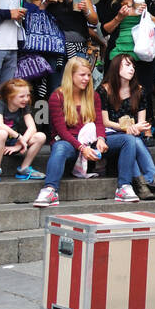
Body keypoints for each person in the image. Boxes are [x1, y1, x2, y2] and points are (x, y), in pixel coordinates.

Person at [34, 57, 139, 207]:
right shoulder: (57, 96)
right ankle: (50, 190)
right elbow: (61, 131)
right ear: (71, 75)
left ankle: (124, 187)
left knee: (128, 140)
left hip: (91, 140)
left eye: (89, 75)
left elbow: (99, 123)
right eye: (82, 75)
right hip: (70, 143)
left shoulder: (93, 95)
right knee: (60, 146)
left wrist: (101, 139)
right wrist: (82, 148)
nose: (86, 79)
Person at [98, 53, 155, 201]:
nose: (132, 69)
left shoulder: (139, 91)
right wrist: (126, 128)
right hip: (109, 135)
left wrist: (136, 128)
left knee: (133, 140)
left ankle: (146, 182)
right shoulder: (103, 90)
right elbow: (105, 122)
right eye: (127, 65)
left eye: (133, 66)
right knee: (131, 140)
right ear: (116, 68)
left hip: (133, 134)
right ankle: (148, 179)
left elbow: (141, 123)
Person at [98, 0, 155, 118]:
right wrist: (119, 17)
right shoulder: (112, 4)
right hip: (118, 53)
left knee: (143, 90)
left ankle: (146, 127)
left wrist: (148, 14)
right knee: (113, 88)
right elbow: (105, 30)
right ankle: (113, 122)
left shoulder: (147, 2)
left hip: (142, 54)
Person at [0, 78, 47, 181]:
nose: (26, 99)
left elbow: (32, 128)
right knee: (2, 133)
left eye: (27, 95)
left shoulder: (23, 106)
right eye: (21, 96)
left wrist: (20, 145)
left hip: (12, 142)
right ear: (9, 97)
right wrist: (19, 137)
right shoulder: (0, 104)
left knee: (40, 136)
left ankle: (24, 168)